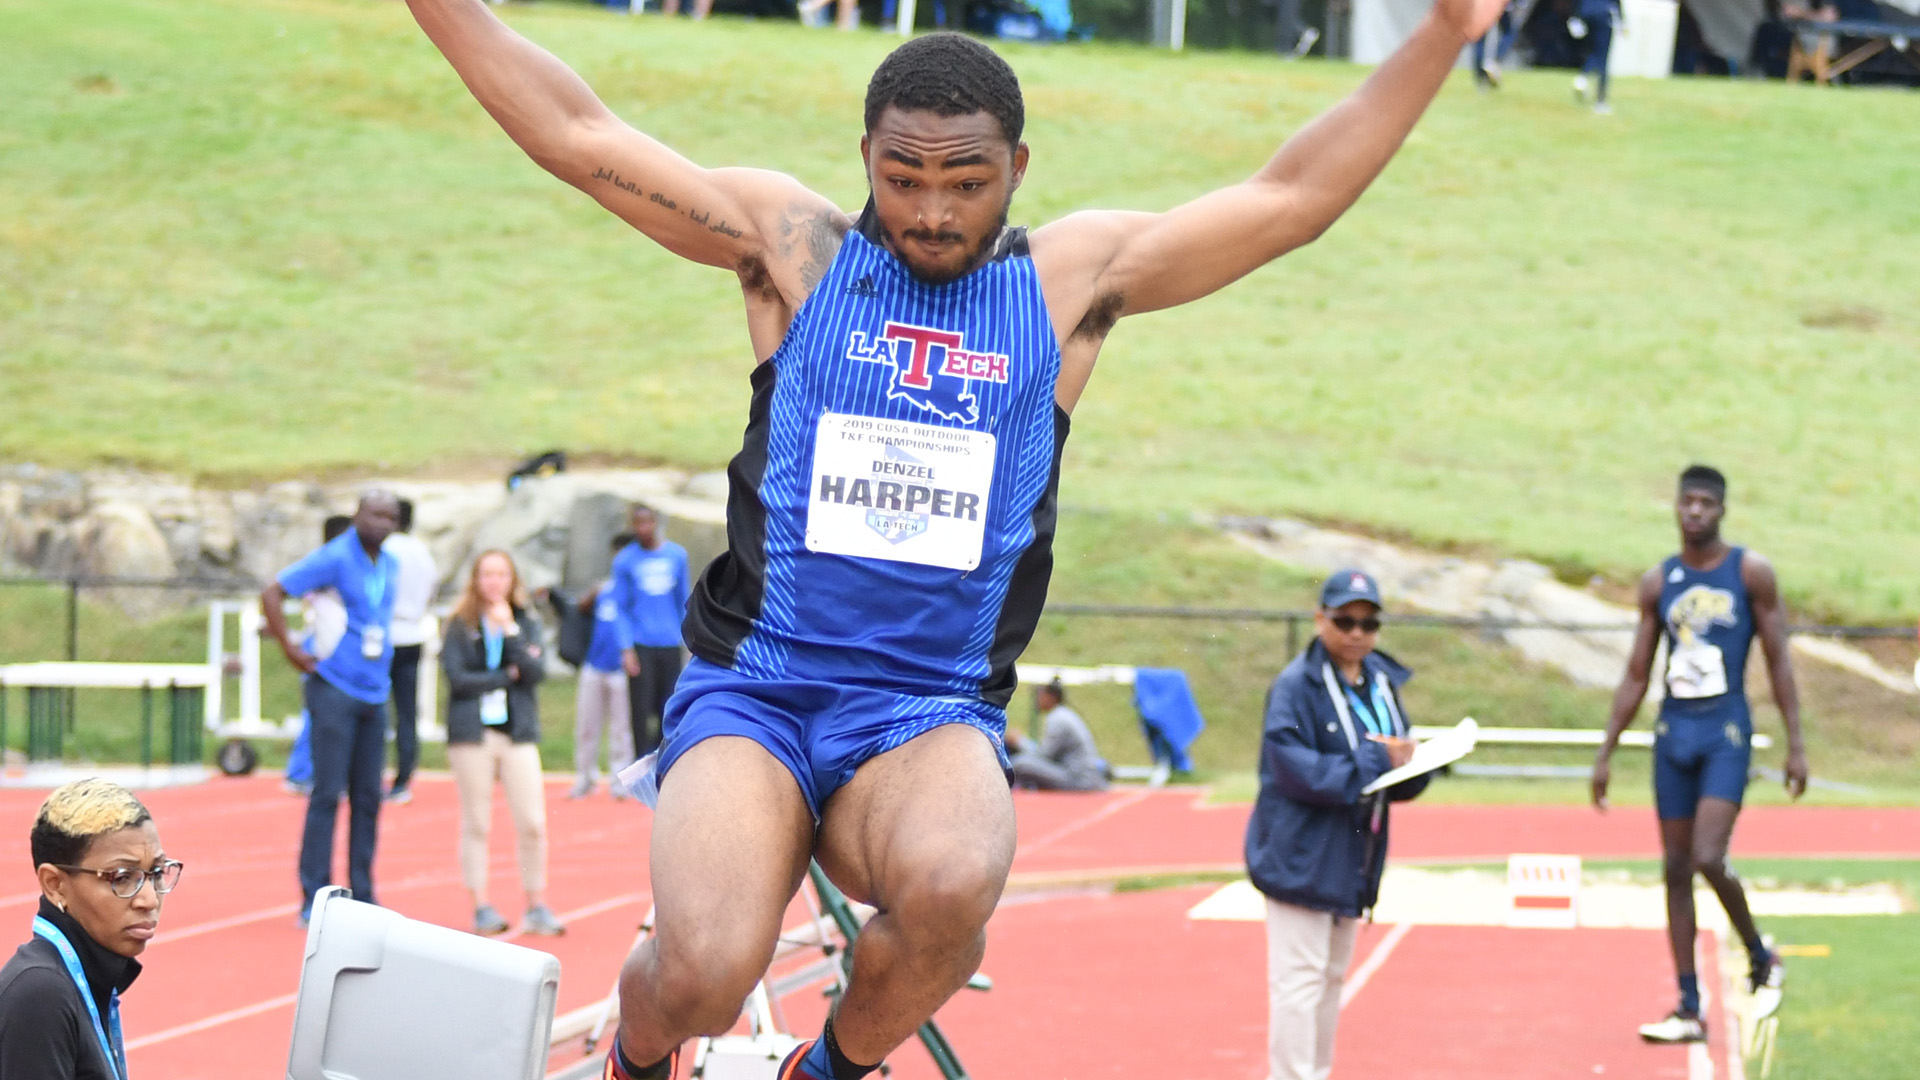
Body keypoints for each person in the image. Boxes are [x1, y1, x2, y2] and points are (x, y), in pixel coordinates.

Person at [398, 4, 1508, 1075]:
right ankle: (637, 1062)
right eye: (903, 179)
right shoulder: (796, 248)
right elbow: (580, 136)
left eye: (966, 184)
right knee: (705, 971)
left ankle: (827, 1072)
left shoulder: (1066, 284)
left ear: (1017, 167)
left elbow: (1290, 199)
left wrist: (1441, 35)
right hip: (760, 688)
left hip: (927, 711)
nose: (931, 212)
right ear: (866, 159)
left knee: (955, 886)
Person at [1594, 465, 1807, 1043]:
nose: (1694, 512)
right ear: (1675, 507)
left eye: (1705, 503)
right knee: (1674, 868)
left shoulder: (1749, 572)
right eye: (1686, 501)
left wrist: (1795, 744)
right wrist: (1606, 750)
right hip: (1674, 734)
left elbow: (1778, 659)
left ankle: (1759, 952)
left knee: (1708, 855)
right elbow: (1637, 672)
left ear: (1721, 510)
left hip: (1724, 732)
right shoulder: (1658, 581)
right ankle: (1689, 1006)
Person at [1245, 570, 1426, 1080]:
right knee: (1299, 981)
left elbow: (1392, 763)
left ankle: (1315, 1072)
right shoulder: (1295, 686)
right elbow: (1292, 768)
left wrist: (1417, 767)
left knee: (1329, 979)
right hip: (1301, 850)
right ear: (1320, 619)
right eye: (1345, 621)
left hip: (1354, 854)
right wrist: (1377, 763)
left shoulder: (1381, 682)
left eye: (1369, 623)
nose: (1357, 633)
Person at [262, 491, 401, 923]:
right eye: (374, 514)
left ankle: (363, 891)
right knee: (327, 793)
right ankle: (315, 895)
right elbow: (273, 592)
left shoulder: (391, 564)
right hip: (334, 687)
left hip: (374, 690)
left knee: (368, 797)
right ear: (357, 515)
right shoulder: (335, 557)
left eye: (390, 517)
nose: (382, 523)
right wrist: (290, 648)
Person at [0, 779, 184, 1079]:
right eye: (121, 878)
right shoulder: (39, 995)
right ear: (55, 885)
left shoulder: (83, 979)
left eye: (157, 873)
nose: (149, 900)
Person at [442, 549, 566, 937]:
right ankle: (481, 904)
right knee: (477, 821)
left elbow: (534, 672)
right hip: (473, 734)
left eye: (501, 574)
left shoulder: (525, 622)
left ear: (513, 581)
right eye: (487, 574)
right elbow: (458, 679)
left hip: (517, 733)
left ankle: (536, 903)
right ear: (475, 580)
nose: (494, 582)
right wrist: (503, 677)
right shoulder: (460, 624)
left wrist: (510, 632)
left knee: (533, 822)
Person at [611, 505, 691, 760]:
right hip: (641, 643)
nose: (643, 528)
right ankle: (640, 762)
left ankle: (664, 759)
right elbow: (620, 607)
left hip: (669, 642)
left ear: (656, 523)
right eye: (638, 523)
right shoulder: (625, 560)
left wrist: (688, 640)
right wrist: (626, 648)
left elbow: (683, 600)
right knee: (640, 709)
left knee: (668, 705)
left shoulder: (676, 556)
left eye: (647, 522)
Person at [284, 513, 355, 797]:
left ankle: (333, 773)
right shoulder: (325, 565)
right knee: (317, 713)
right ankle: (300, 772)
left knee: (341, 716)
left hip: (342, 644)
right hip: (320, 645)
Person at [571, 533, 638, 799]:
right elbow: (580, 608)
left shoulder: (635, 591)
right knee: (587, 726)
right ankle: (585, 777)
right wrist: (593, 592)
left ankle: (620, 782)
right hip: (595, 664)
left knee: (621, 729)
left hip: (620, 668)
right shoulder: (604, 589)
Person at [383, 497, 440, 805]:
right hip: (412, 631)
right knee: (407, 712)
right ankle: (403, 778)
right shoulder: (421, 551)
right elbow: (432, 588)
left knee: (376, 708)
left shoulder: (385, 549)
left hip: (384, 633)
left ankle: (370, 772)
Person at [1005, 679, 1107, 791]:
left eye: (1040, 695)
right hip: (1078, 774)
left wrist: (1019, 742)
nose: (1037, 699)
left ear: (1050, 697)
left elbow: (1044, 755)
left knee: (1021, 763)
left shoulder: (1057, 719)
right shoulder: (1064, 714)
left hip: (1077, 778)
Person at [1572, 0, 1621, 113]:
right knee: (1603, 56)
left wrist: (1575, 15)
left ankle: (1583, 76)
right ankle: (1600, 102)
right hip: (1603, 12)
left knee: (1593, 51)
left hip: (1586, 12)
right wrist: (1621, 19)